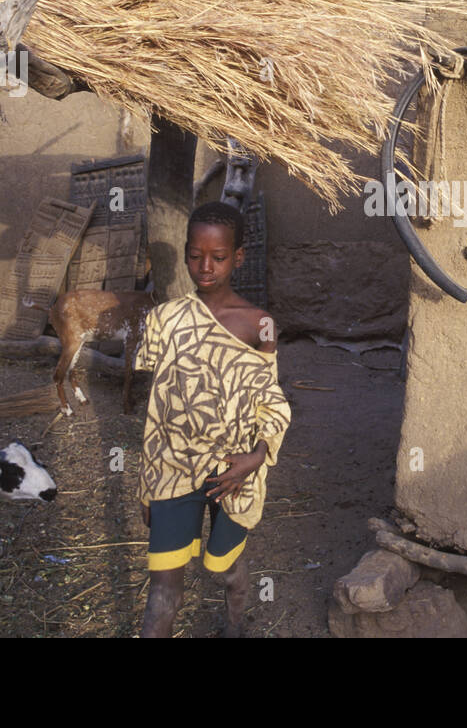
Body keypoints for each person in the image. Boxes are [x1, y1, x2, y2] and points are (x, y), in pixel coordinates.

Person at [135, 201, 291, 638]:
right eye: (195, 254)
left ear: (237, 258)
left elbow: (269, 400)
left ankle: (235, 625)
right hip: (171, 469)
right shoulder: (164, 320)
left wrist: (257, 457)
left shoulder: (259, 325)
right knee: (163, 594)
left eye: (218, 257)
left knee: (226, 565)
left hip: (233, 470)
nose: (205, 266)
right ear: (185, 252)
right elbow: (157, 409)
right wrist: (147, 484)